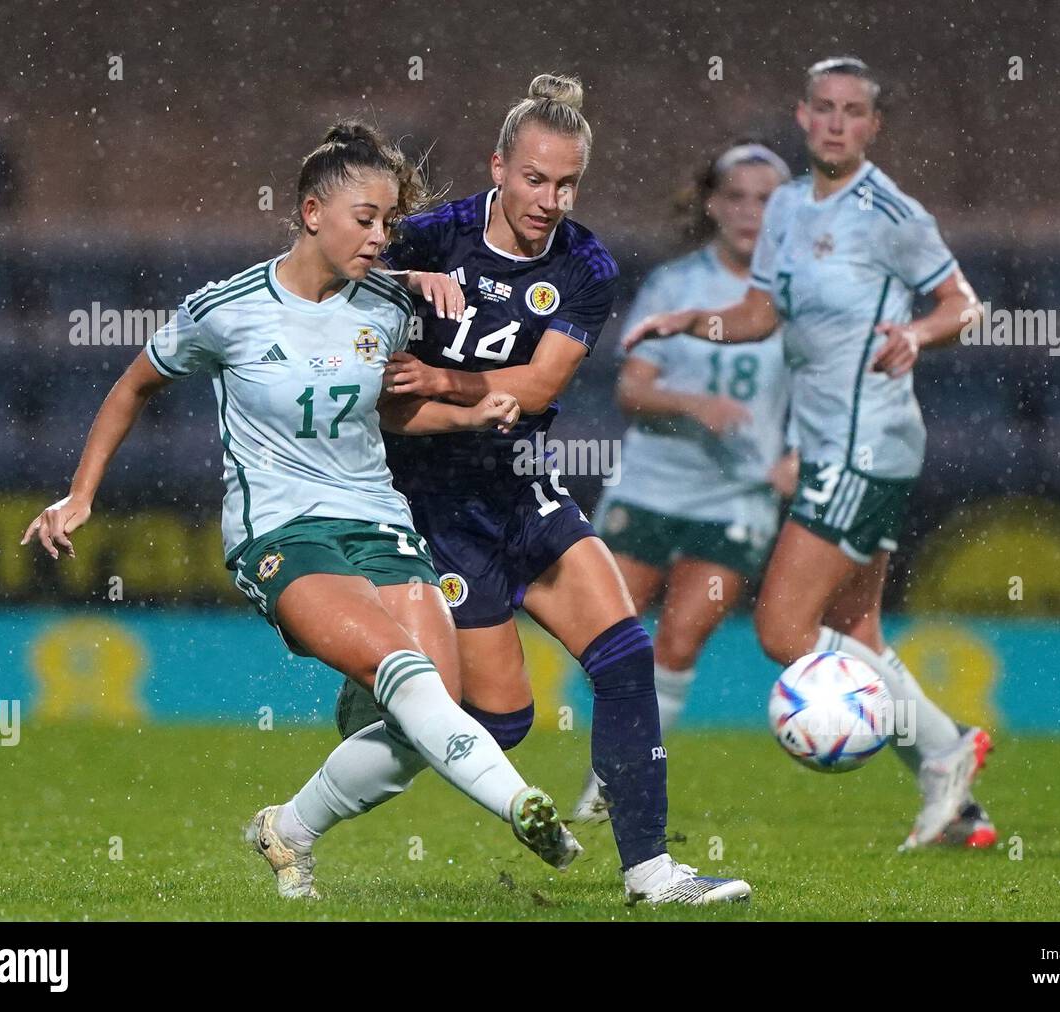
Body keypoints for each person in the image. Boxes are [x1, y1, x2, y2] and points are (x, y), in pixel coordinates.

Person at [21, 120, 583, 901]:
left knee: (432, 713)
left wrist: (467, 412)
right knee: (411, 681)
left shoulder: (387, 306)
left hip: (380, 521)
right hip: (281, 529)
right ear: (312, 213)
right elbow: (132, 386)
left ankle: (288, 829)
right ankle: (520, 804)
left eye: (390, 223)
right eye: (365, 220)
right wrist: (81, 494)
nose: (383, 238)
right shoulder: (228, 309)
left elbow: (390, 413)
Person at [320, 74, 751, 905]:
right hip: (438, 506)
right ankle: (380, 698)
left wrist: (444, 378)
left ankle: (651, 872)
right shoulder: (430, 236)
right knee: (505, 723)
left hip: (523, 485)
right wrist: (406, 286)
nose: (549, 199)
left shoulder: (586, 265)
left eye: (566, 183)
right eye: (534, 179)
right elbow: (328, 276)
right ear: (499, 168)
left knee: (626, 656)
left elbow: (541, 386)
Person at [623, 58, 996, 851]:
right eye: (823, 108)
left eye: (852, 111)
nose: (835, 123)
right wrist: (692, 321)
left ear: (872, 125)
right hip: (830, 445)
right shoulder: (788, 206)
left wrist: (919, 333)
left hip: (867, 446)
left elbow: (962, 303)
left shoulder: (891, 212)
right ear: (802, 116)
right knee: (854, 628)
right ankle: (959, 806)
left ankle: (945, 748)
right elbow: (760, 314)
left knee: (782, 628)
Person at [572, 140, 797, 822]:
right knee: (608, 639)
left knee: (676, 643)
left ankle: (615, 787)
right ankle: (614, 766)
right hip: (651, 486)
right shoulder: (676, 285)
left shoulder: (802, 291)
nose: (751, 212)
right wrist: (696, 405)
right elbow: (632, 389)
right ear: (713, 204)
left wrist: (800, 456)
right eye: (738, 197)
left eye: (768, 200)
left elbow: (833, 388)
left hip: (737, 497)